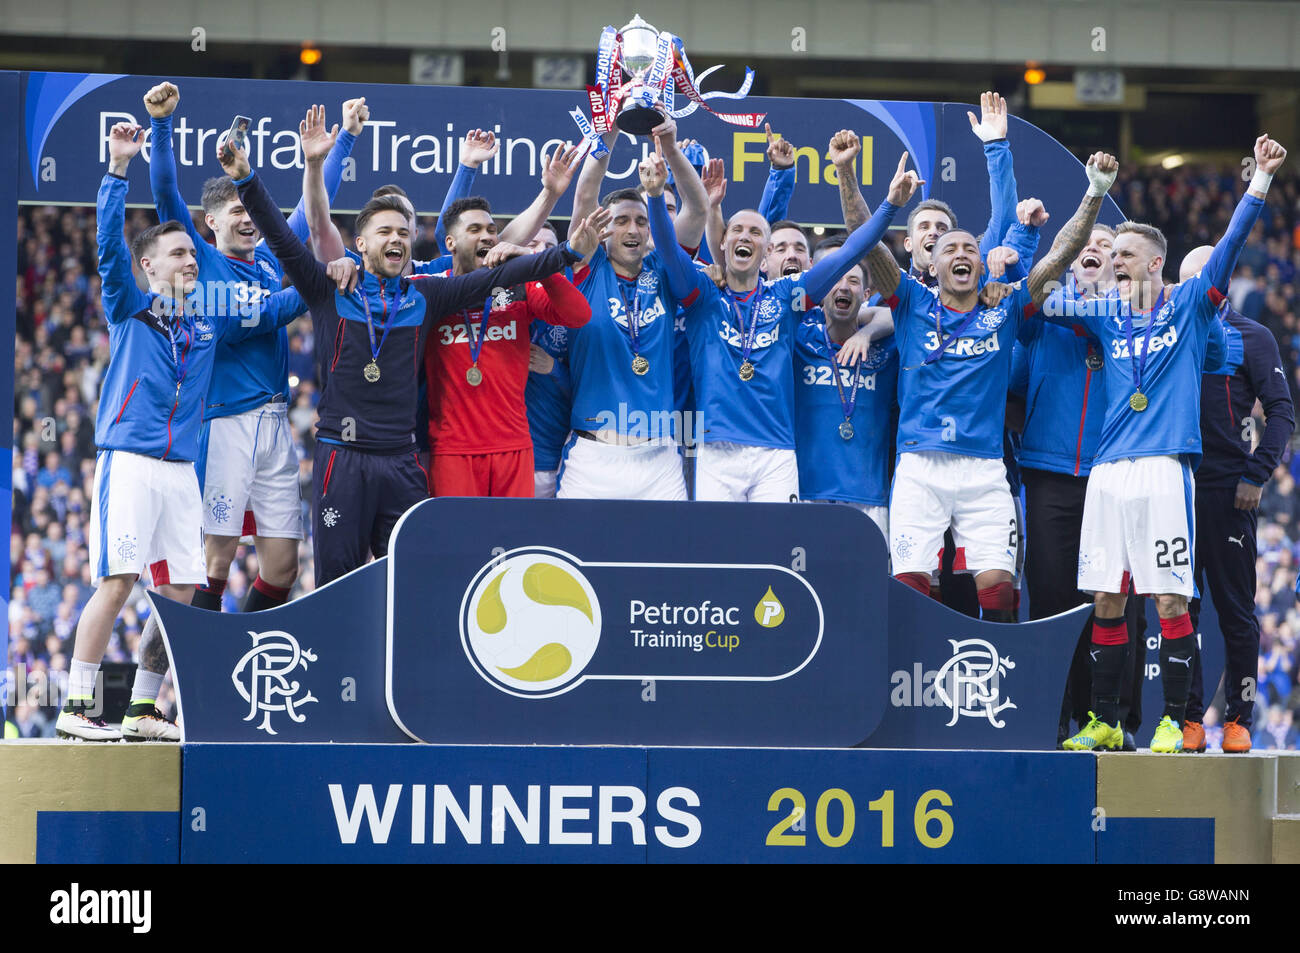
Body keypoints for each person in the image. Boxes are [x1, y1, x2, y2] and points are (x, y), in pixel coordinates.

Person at [220, 134, 606, 583]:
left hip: (404, 462)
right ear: (359, 245)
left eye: (403, 233)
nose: (396, 239)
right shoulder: (331, 288)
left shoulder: (427, 293)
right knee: (336, 578)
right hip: (341, 458)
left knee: (405, 580)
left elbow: (499, 269)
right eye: (384, 232)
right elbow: (288, 239)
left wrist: (568, 254)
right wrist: (246, 178)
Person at [56, 123, 306, 741]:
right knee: (118, 581)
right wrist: (118, 166)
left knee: (184, 589)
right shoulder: (130, 305)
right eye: (179, 253)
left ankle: (144, 707)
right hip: (131, 460)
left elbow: (273, 309)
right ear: (149, 266)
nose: (191, 259)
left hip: (180, 470)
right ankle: (76, 704)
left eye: (194, 254)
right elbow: (110, 248)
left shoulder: (210, 318)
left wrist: (322, 281)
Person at [1061, 134, 1287, 753]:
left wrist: (1260, 181)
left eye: (1126, 254)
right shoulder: (1105, 312)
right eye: (1114, 257)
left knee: (1167, 596)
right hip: (1109, 469)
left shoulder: (1190, 304)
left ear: (1154, 262)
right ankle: (1107, 719)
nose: (1115, 262)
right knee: (1108, 594)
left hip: (1165, 469)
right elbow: (1036, 295)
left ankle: (1173, 718)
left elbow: (1232, 247)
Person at [864, 152, 1119, 622]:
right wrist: (848, 177)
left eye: (969, 249)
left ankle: (997, 688)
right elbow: (870, 249)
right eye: (949, 249)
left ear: (982, 267)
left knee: (1000, 596)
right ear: (932, 266)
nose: (960, 253)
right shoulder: (910, 302)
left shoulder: (1003, 310)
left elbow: (1060, 253)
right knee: (912, 589)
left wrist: (1095, 192)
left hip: (984, 469)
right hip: (919, 464)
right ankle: (918, 691)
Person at [145, 83, 362, 613]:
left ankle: (245, 653)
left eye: (250, 209)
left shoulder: (267, 258)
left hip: (275, 422)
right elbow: (167, 196)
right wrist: (163, 125)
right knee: (215, 561)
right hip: (224, 423)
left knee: (283, 566)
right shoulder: (203, 265)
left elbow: (314, 215)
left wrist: (347, 141)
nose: (247, 218)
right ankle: (198, 665)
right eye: (234, 211)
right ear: (210, 223)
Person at [647, 144, 915, 503]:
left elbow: (850, 252)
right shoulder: (703, 296)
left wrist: (891, 206)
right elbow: (668, 250)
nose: (745, 236)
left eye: (756, 233)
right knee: (720, 555)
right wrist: (653, 197)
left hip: (776, 454)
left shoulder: (788, 297)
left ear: (764, 252)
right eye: (738, 230)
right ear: (723, 242)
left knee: (774, 555)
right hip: (715, 450)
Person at [1179, 244, 1295, 753]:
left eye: (1204, 274)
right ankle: (1186, 720)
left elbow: (1281, 413)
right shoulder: (1166, 329)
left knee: (1236, 610)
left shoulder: (1253, 336)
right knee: (1177, 608)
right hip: (1171, 486)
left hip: (1229, 491)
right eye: (1187, 278)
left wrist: (1256, 473)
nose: (1196, 285)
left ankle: (1238, 719)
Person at [557, 117, 709, 500]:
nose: (633, 229)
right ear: (603, 231)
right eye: (621, 220)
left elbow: (698, 210)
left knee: (665, 560)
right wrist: (610, 125)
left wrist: (671, 149)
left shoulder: (663, 269)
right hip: (593, 455)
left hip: (658, 457)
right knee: (576, 560)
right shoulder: (588, 269)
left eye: (641, 221)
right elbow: (585, 195)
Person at [423, 198, 591, 496]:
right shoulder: (431, 291)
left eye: (491, 229)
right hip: (452, 451)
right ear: (450, 242)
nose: (487, 235)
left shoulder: (518, 288)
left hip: (513, 448)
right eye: (474, 229)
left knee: (513, 541)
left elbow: (578, 315)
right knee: (456, 542)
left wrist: (534, 263)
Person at [792, 245, 898, 538]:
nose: (844, 286)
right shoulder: (800, 336)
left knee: (865, 584)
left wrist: (866, 333)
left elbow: (895, 316)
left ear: (866, 295)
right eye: (836, 279)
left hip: (870, 499)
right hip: (807, 493)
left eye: (853, 281)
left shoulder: (886, 346)